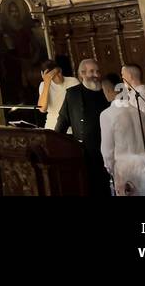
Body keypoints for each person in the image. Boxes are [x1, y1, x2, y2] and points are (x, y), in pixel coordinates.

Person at [54, 58, 111, 196]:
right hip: (84, 152)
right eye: (92, 71)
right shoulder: (73, 94)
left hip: (107, 149)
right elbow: (63, 120)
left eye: (98, 71)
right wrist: (54, 142)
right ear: (82, 74)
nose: (96, 75)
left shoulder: (107, 91)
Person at [101, 64, 145, 188]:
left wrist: (111, 169)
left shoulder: (107, 114)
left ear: (107, 90)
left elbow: (107, 151)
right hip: (144, 163)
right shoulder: (136, 111)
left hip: (125, 168)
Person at [37, 59, 78, 130]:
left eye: (58, 72)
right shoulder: (43, 85)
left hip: (71, 128)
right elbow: (42, 109)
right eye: (53, 76)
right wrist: (47, 83)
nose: (58, 77)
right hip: (51, 128)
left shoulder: (73, 82)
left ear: (61, 70)